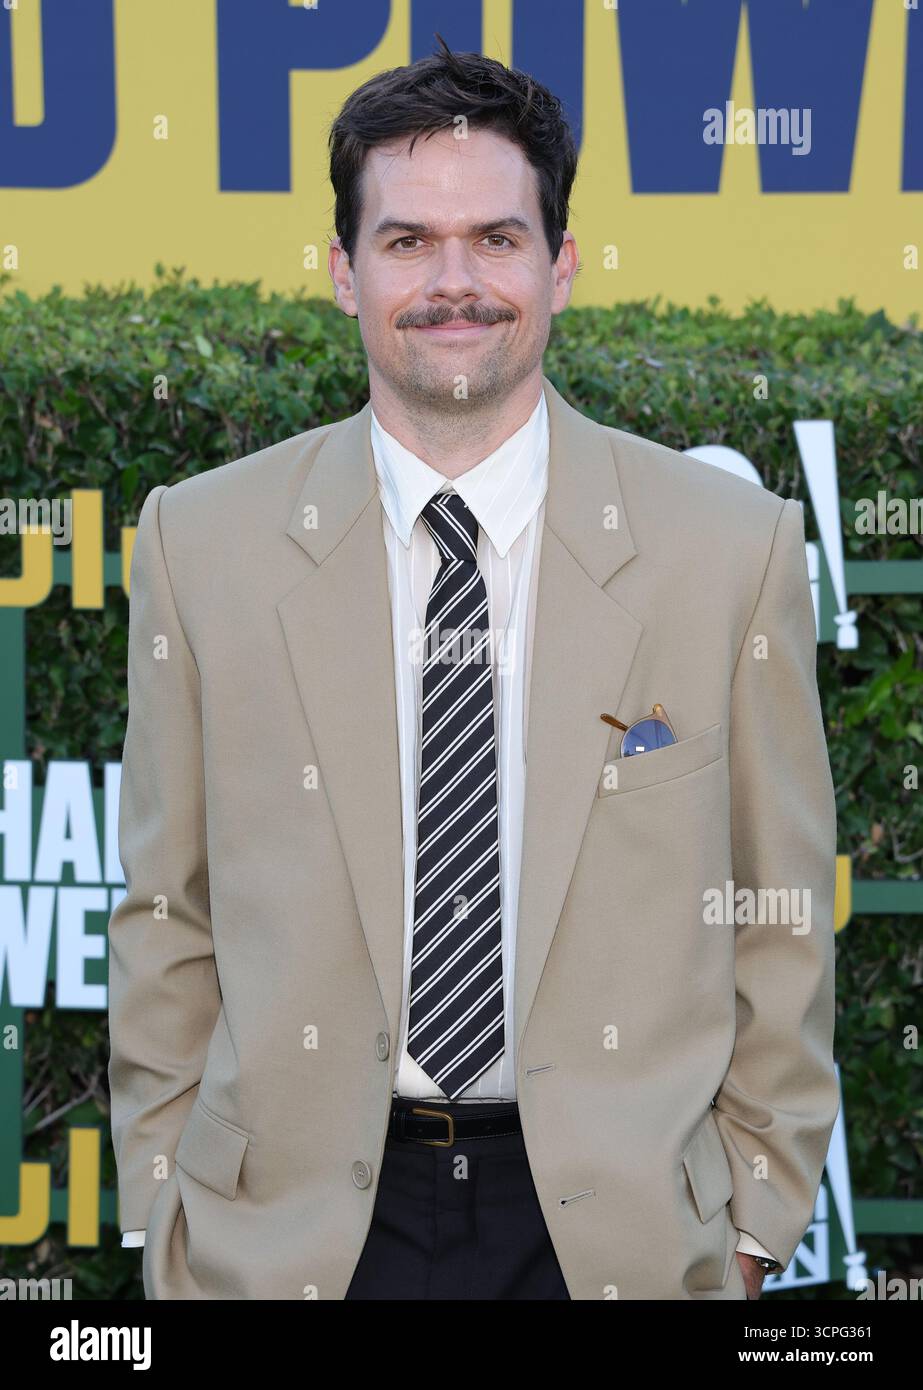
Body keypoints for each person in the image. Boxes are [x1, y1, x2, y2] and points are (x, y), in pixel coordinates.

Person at [108, 37, 839, 1300]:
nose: (454, 283)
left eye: (495, 239)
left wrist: (754, 1220)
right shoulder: (199, 544)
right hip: (288, 1240)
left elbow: (778, 913)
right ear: (343, 272)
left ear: (558, 264)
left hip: (619, 1240)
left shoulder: (725, 551)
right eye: (406, 242)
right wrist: (163, 1211)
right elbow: (167, 915)